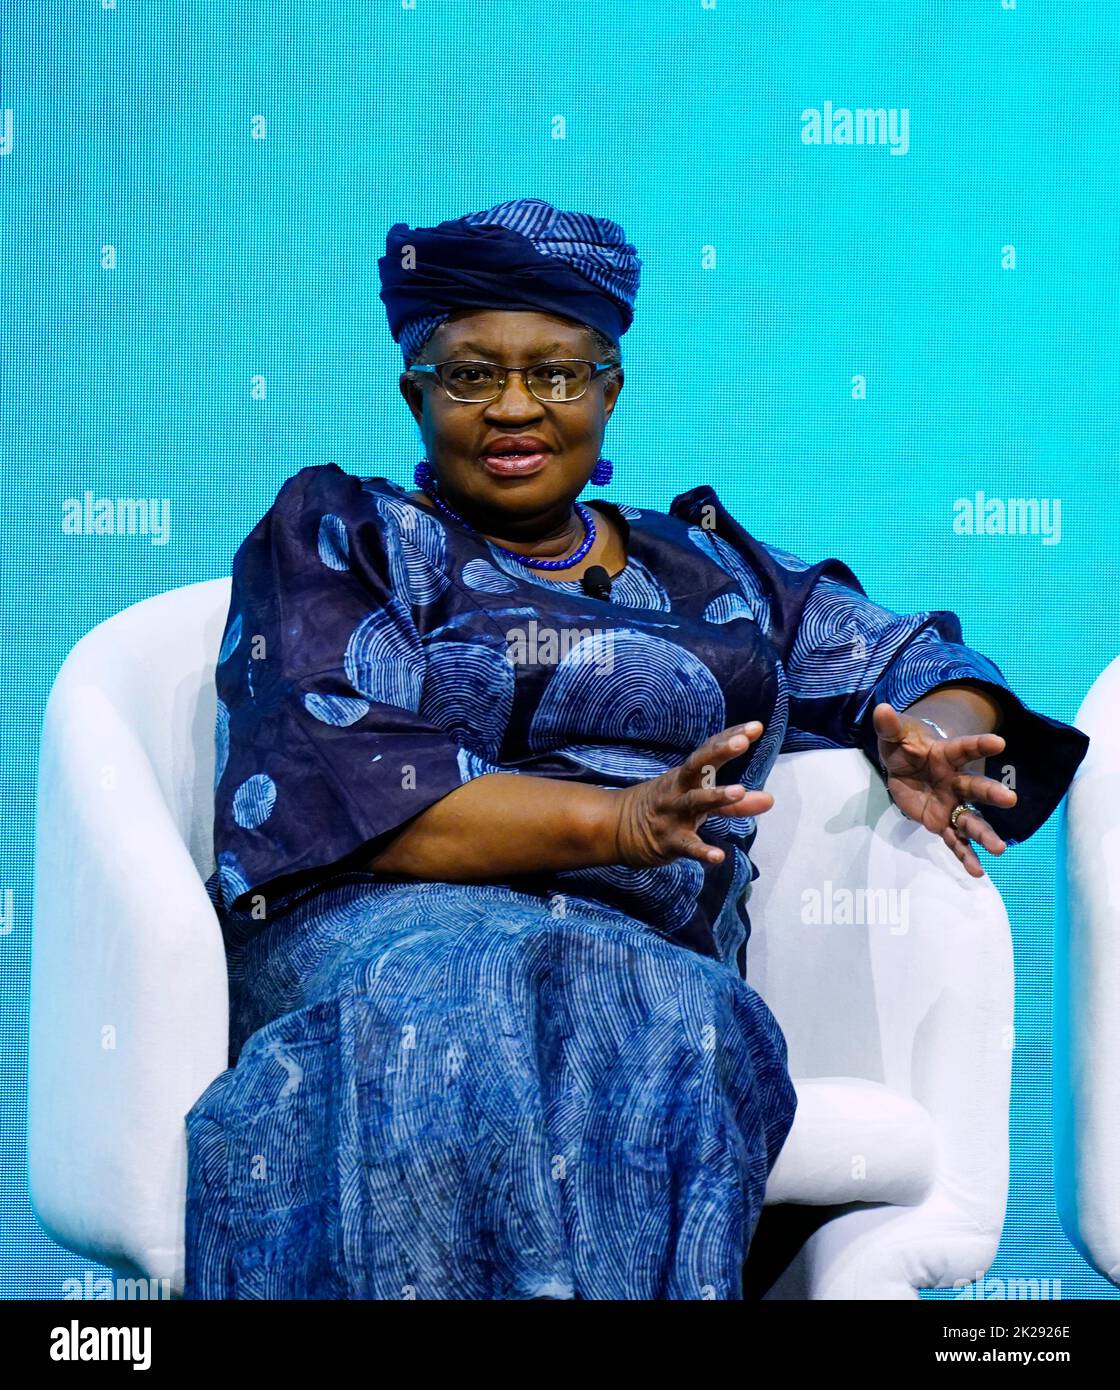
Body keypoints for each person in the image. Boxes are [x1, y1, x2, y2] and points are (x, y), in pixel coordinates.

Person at [183, 197, 1090, 1300]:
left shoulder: (716, 572)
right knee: (464, 997)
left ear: (608, 389)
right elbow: (339, 771)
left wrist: (931, 741)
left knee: (670, 1021)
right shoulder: (348, 535)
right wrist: (613, 823)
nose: (515, 407)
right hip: (380, 931)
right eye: (470, 374)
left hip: (644, 955)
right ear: (413, 392)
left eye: (557, 373)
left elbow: (911, 659)